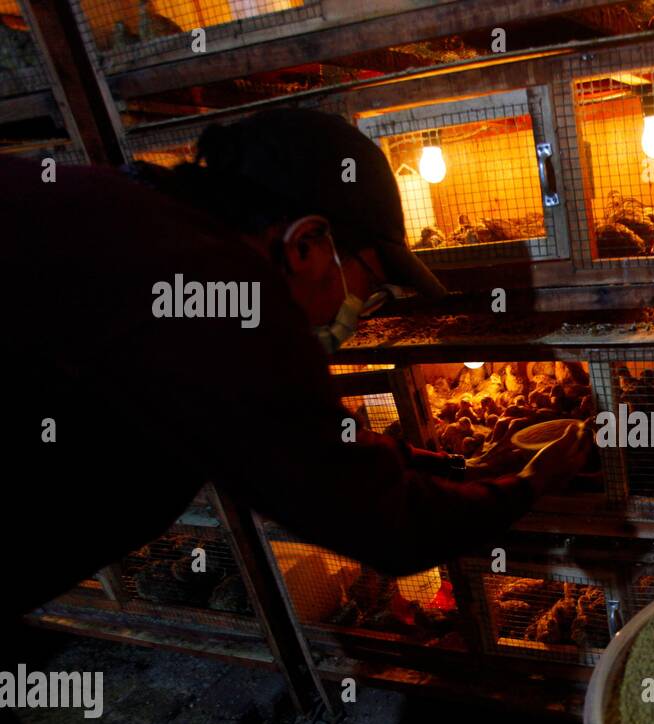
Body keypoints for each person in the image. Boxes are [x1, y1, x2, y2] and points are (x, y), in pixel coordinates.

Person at [6, 108, 588, 617]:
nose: (357, 308)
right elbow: (383, 524)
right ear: (307, 243)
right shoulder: (221, 293)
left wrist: (462, 471)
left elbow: (311, 443)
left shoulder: (144, 217)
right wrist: (528, 483)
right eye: (369, 282)